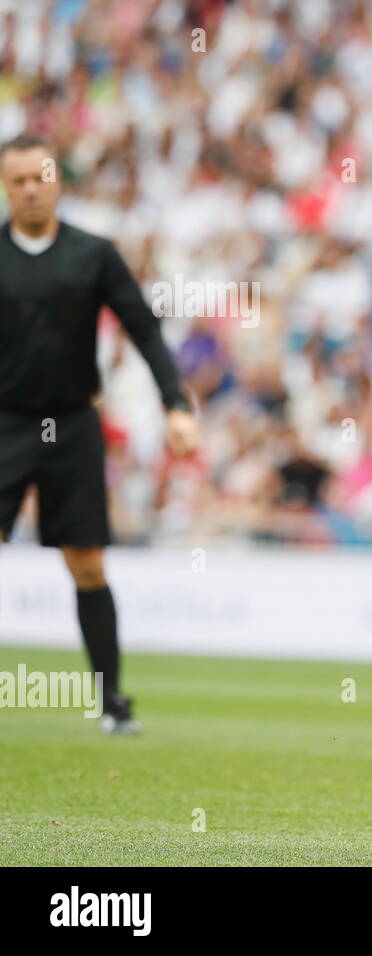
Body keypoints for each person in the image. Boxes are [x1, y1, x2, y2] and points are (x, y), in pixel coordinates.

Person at [0, 134, 200, 734]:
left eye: (40, 177)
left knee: (87, 564)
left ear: (57, 180)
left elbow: (143, 328)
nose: (30, 188)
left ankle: (111, 702)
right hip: (3, 423)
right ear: (6, 187)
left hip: (72, 425)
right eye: (17, 181)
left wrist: (175, 405)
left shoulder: (93, 254)